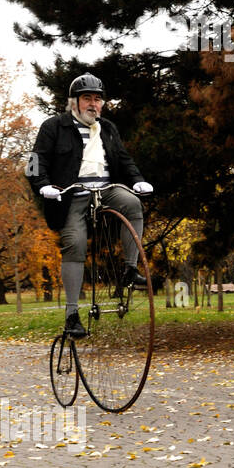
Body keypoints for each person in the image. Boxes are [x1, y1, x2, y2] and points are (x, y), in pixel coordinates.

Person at [28, 74, 153, 339]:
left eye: (97, 99)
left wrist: (138, 180)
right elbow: (35, 161)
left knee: (132, 204)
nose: (93, 104)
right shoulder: (54, 127)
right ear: (74, 102)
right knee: (74, 243)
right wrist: (43, 186)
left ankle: (129, 270)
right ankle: (72, 315)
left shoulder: (107, 128)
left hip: (106, 190)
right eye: (87, 98)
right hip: (72, 193)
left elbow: (123, 158)